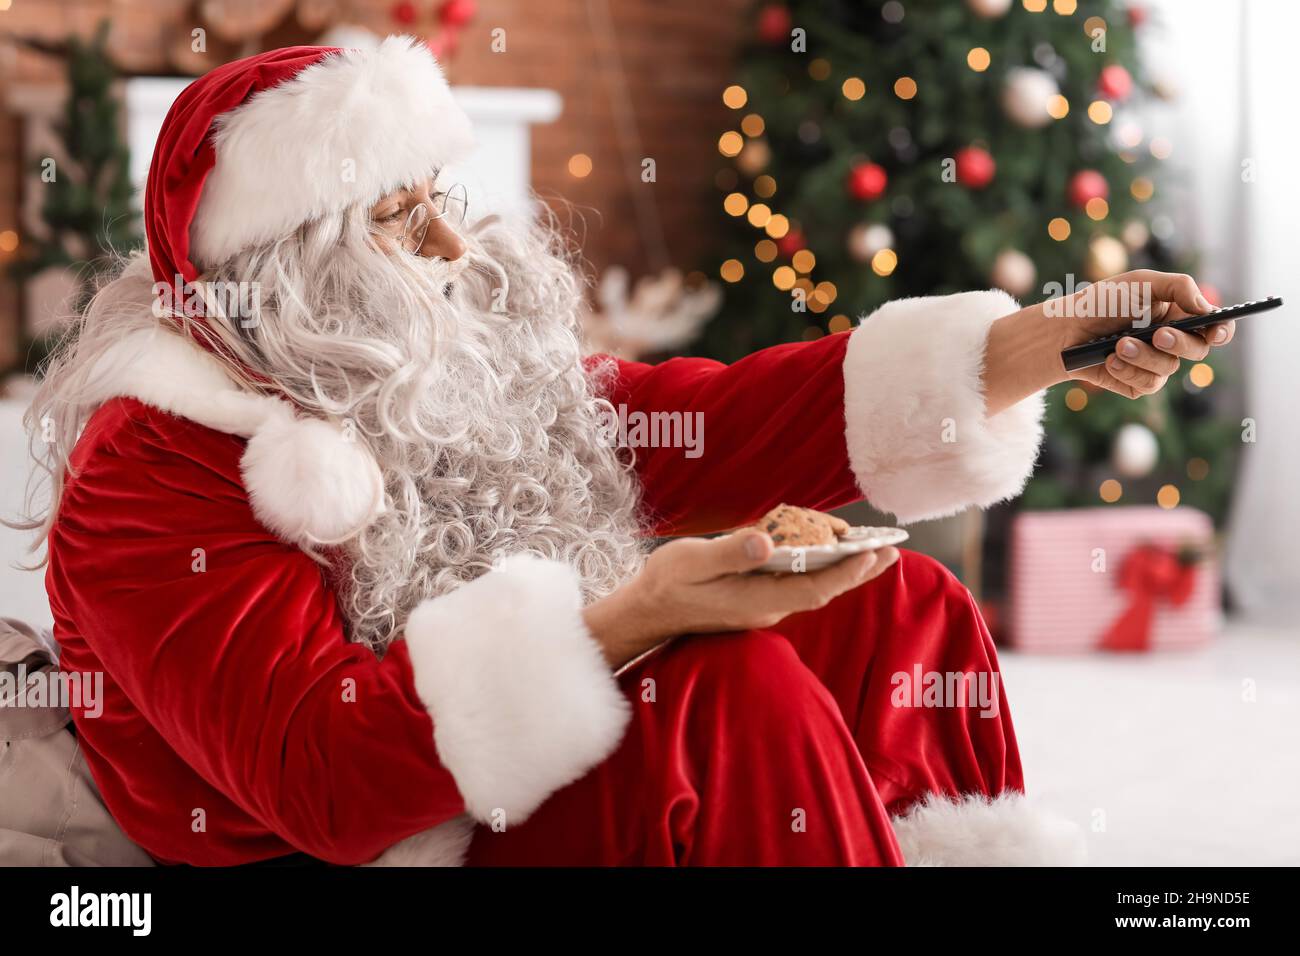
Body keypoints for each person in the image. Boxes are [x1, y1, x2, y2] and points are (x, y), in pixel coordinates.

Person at [20, 37, 1234, 866]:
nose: (455, 237)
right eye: (399, 216)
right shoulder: (155, 465)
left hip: (471, 774)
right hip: (356, 842)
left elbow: (705, 421)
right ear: (288, 270)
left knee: (894, 600)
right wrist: (634, 615)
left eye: (439, 189)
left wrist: (1037, 342)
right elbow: (320, 773)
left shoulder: (429, 364)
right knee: (719, 689)